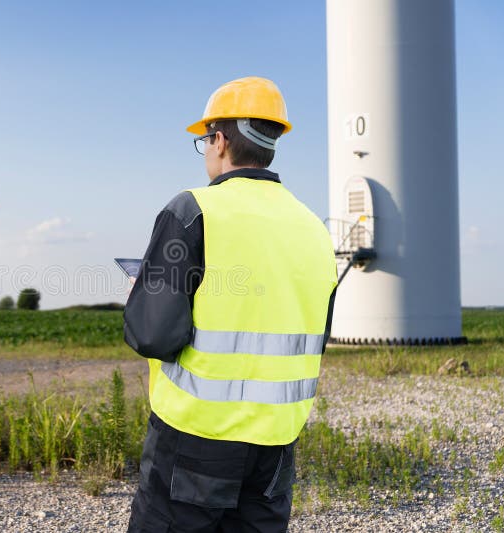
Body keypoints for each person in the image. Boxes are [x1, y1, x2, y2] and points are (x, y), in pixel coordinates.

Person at [124, 76, 337, 532]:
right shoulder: (315, 230)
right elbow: (316, 336)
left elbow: (153, 334)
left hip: (194, 439)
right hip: (276, 444)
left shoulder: (192, 211)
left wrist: (139, 296)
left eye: (205, 140)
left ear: (219, 140)